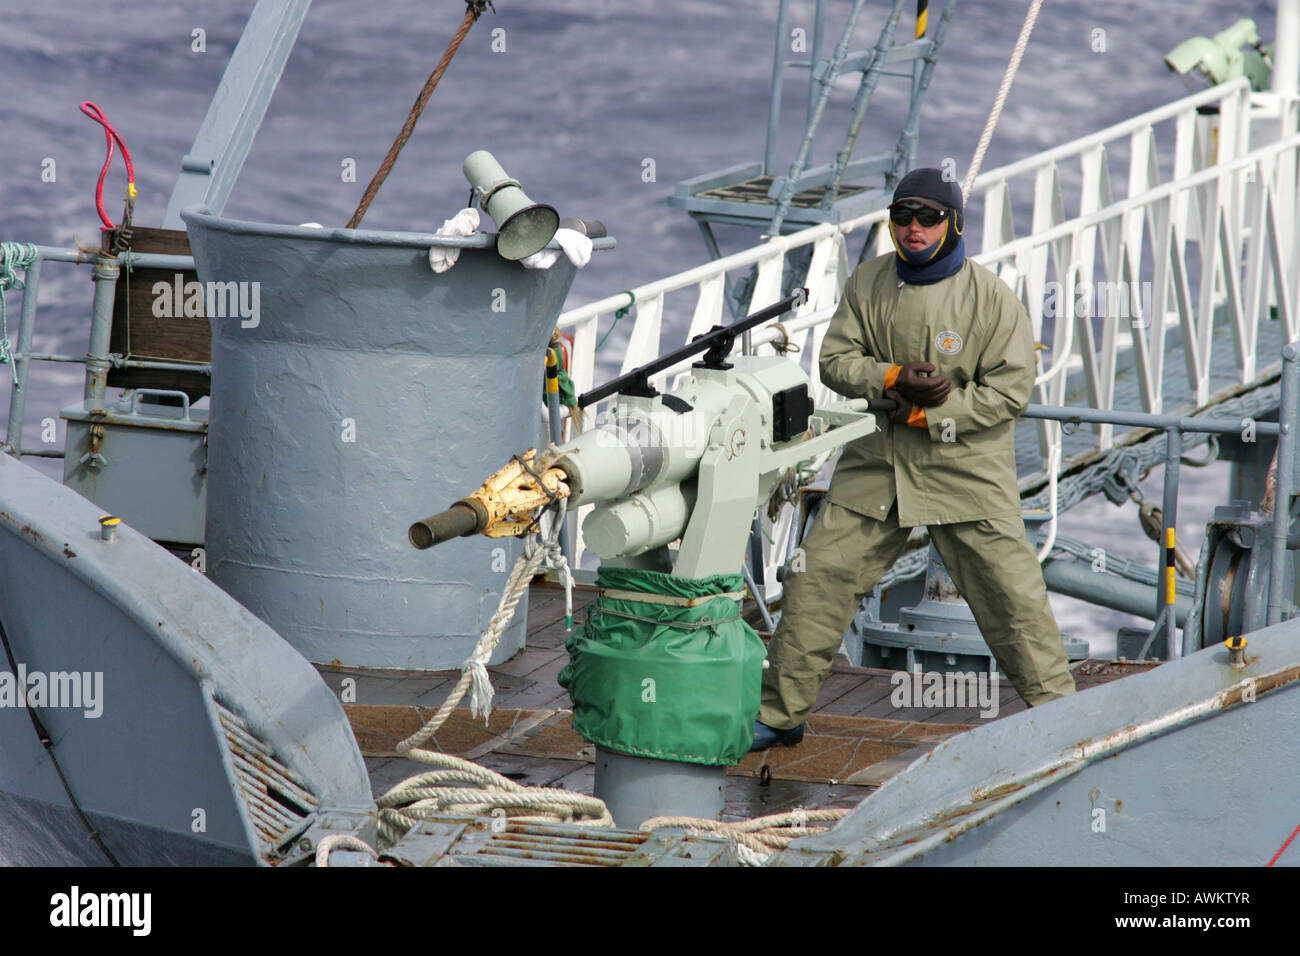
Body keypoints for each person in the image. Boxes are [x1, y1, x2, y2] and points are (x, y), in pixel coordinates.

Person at [752, 167, 1075, 751]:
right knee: (816, 580)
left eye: (929, 217)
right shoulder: (868, 282)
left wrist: (931, 413)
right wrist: (891, 377)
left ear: (954, 224)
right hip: (877, 466)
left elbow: (1010, 391)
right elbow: (835, 360)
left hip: (966, 471)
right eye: (902, 216)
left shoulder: (991, 298)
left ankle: (1065, 725)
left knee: (1013, 599)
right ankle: (780, 715)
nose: (914, 228)